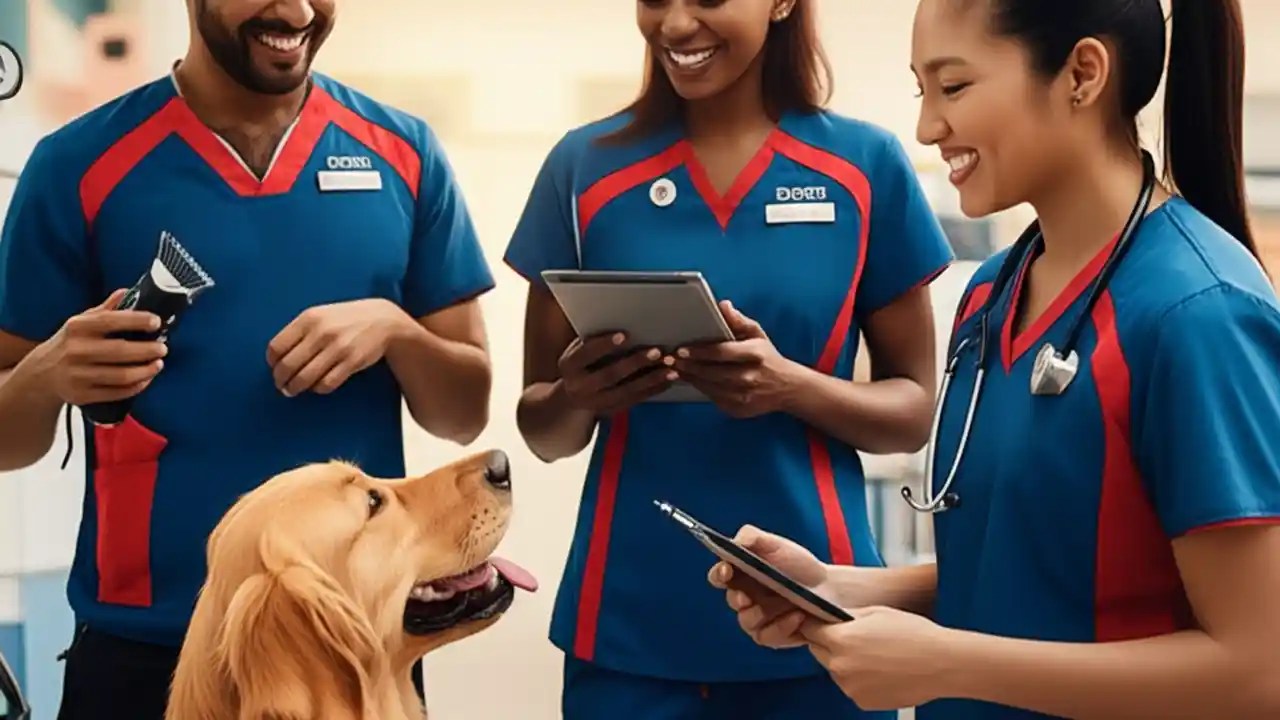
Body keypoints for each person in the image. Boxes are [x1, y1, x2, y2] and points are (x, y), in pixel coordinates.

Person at [711, 0, 1280, 718]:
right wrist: (841, 588)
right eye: (922, 91)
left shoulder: (1197, 312)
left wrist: (947, 662)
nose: (927, 127)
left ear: (1082, 74)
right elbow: (1035, 571)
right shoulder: (990, 296)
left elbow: (1259, 671)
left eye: (953, 87)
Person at [0, 1, 495, 717]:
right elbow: (7, 439)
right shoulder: (76, 165)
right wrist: (48, 375)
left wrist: (397, 332)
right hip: (144, 648)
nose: (295, 11)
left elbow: (463, 414)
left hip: (347, 646)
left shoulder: (404, 154)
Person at [503, 0, 955, 716]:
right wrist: (577, 396)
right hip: (628, 624)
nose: (677, 24)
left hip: (820, 615)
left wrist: (790, 387)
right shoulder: (583, 169)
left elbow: (913, 413)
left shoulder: (864, 166)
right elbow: (542, 429)